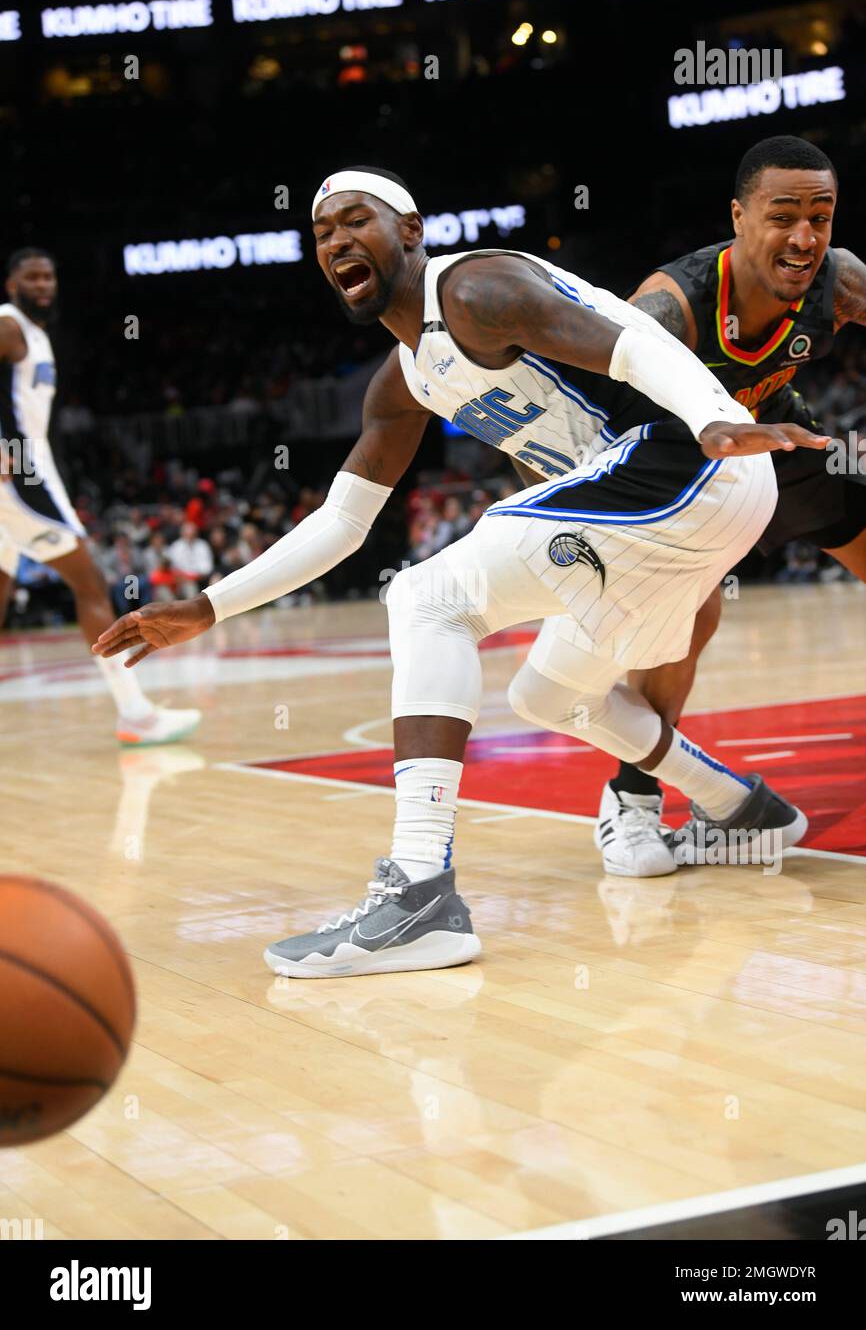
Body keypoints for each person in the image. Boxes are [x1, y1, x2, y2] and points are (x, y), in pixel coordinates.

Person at [94, 167, 829, 974]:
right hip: (660, 518)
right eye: (322, 233)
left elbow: (635, 345)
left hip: (688, 462)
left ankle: (420, 893)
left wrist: (715, 414)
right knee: (545, 696)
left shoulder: (477, 287)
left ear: (410, 230)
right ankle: (743, 809)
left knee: (427, 596)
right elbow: (343, 521)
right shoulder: (405, 380)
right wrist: (208, 607)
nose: (337, 239)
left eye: (355, 220)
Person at [593, 134, 866, 875]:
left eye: (822, 216)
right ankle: (631, 801)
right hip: (671, 459)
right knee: (693, 615)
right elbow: (579, 410)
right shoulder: (667, 305)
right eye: (784, 216)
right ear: (740, 216)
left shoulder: (838, 280)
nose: (805, 237)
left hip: (774, 434)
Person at [0, 247, 201, 744]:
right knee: (89, 583)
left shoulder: (37, 334)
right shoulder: (8, 324)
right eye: (32, 277)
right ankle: (134, 713)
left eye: (49, 276)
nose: (44, 284)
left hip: (30, 467)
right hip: (20, 473)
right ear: (12, 285)